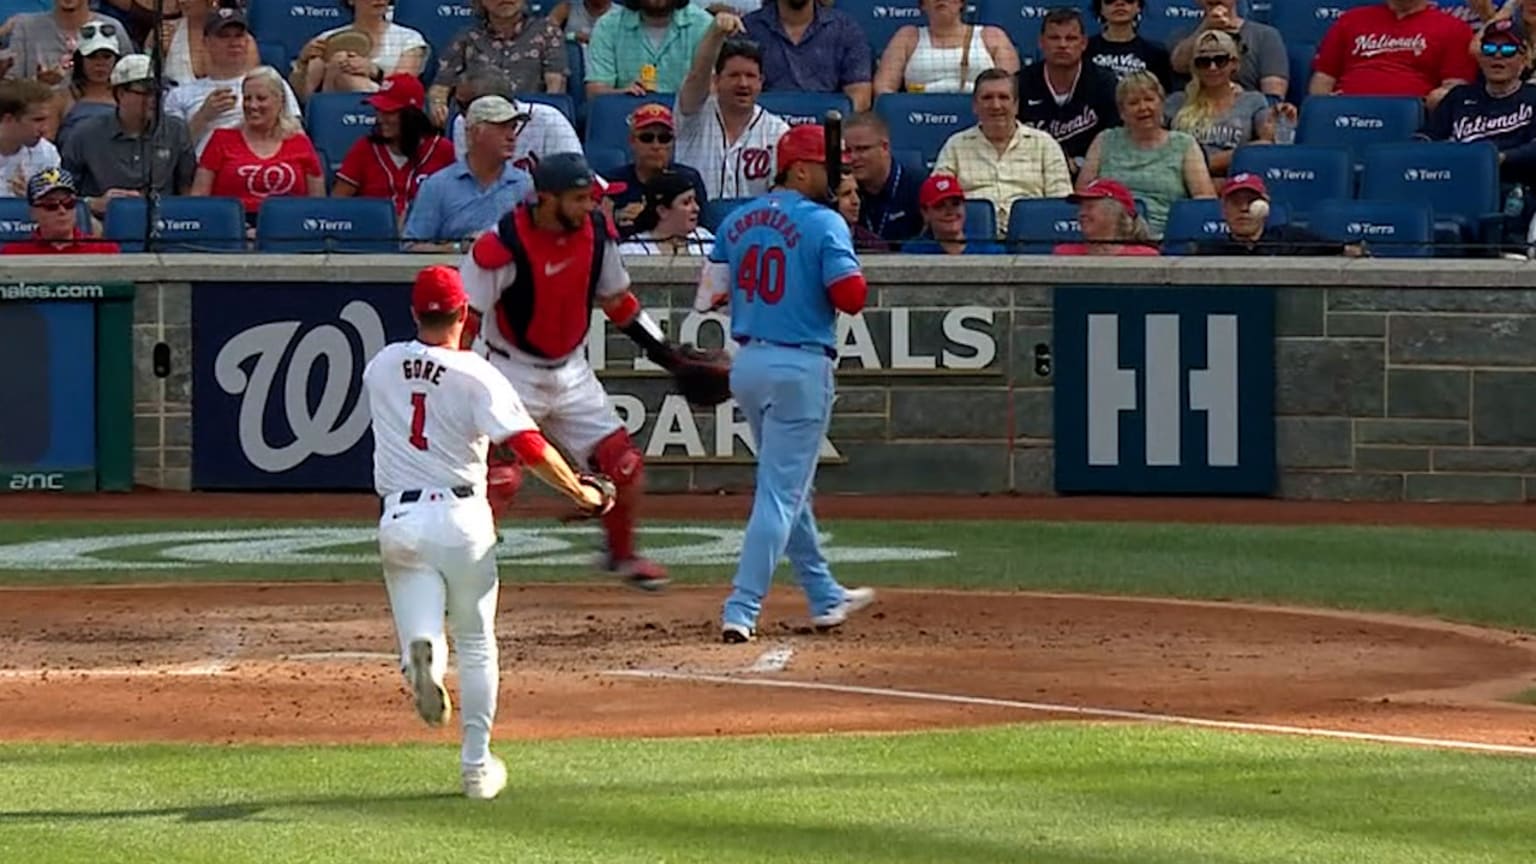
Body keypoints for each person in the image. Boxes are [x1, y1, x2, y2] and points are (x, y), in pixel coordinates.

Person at [364, 263, 614, 801]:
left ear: (415, 312)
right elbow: (528, 446)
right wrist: (582, 493)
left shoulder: (381, 366)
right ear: (463, 315)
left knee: (420, 626)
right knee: (477, 642)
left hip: (401, 520)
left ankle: (421, 657)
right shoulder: (476, 374)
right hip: (461, 518)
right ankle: (476, 766)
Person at [459, 150, 687, 590]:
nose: (591, 208)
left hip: (570, 369)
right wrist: (458, 378)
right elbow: (465, 318)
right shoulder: (502, 244)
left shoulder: (597, 234)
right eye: (580, 199)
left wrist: (666, 353)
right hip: (506, 370)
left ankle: (621, 557)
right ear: (546, 199)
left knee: (623, 466)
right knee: (499, 479)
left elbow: (619, 303)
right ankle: (467, 572)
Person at [694, 123, 875, 643]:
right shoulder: (824, 222)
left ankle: (824, 596)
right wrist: (827, 250)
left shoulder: (736, 220)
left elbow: (709, 297)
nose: (835, 177)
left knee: (790, 486)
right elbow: (851, 297)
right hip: (800, 366)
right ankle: (741, 607)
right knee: (779, 492)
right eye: (827, 168)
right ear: (799, 169)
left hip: (748, 364)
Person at [933, 68, 1073, 236]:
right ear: (975, 106)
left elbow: (1060, 204)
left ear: (1016, 105)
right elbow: (937, 197)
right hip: (972, 241)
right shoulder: (955, 145)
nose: (996, 105)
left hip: (1032, 240)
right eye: (987, 98)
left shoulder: (1045, 144)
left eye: (1003, 97)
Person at [1080, 72, 1216, 238]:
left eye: (1149, 99)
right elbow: (1083, 193)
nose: (1143, 107)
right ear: (1122, 112)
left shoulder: (1184, 144)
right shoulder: (1104, 140)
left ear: (1162, 104)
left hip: (1164, 240)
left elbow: (1204, 200)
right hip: (1109, 237)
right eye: (1133, 102)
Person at [62, 53, 197, 219]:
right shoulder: (84, 134)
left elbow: (187, 186)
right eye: (146, 92)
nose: (154, 99)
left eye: (159, 92)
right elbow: (64, 193)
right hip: (104, 223)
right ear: (120, 94)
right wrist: (94, 203)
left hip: (162, 222)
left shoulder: (176, 129)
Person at [675, 18, 790, 200]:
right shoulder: (694, 114)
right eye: (734, 75)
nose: (743, 83)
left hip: (752, 225)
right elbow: (697, 75)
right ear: (716, 80)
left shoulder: (777, 131)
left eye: (750, 76)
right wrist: (714, 34)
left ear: (761, 82)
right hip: (694, 223)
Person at [189, 66, 325, 220]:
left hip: (289, 230)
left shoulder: (300, 143)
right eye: (247, 98)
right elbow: (199, 199)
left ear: (280, 100)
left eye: (261, 98)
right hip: (233, 232)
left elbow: (317, 204)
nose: (252, 106)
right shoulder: (220, 139)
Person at [403, 95, 536, 252]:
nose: (511, 137)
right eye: (502, 128)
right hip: (455, 273)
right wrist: (459, 248)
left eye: (513, 128)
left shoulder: (525, 185)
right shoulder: (437, 186)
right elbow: (411, 246)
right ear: (476, 133)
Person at [163, 8, 304, 155]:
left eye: (239, 36)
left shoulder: (271, 83)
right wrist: (203, 116)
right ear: (206, 42)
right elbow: (169, 154)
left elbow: (298, 138)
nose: (234, 42)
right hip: (205, 171)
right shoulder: (180, 95)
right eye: (224, 36)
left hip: (263, 165)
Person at [1167, 30, 1295, 178]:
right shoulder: (1177, 102)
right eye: (1203, 62)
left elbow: (1265, 144)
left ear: (1234, 63)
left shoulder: (1253, 101)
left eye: (1220, 60)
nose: (1212, 67)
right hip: (1181, 180)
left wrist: (1281, 119)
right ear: (1194, 66)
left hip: (1234, 181)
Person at [334, 74, 457, 221]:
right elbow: (337, 205)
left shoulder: (443, 150)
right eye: (379, 111)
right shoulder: (364, 148)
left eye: (389, 112)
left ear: (412, 115)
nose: (380, 119)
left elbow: (455, 206)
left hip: (425, 238)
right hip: (374, 237)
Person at [1310, 0, 1477, 109]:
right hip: (1346, 111)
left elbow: (1455, 87)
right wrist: (1323, 108)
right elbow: (1324, 77)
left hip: (1410, 116)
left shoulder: (1454, 28)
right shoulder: (1351, 20)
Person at [429, 0, 567, 126]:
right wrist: (438, 105)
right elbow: (441, 85)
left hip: (531, 119)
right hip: (479, 121)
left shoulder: (547, 32)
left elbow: (555, 87)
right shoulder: (467, 37)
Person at [1017, 6, 1121, 174]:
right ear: (1041, 42)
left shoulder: (1105, 82)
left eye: (1071, 38)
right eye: (1054, 38)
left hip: (1093, 172)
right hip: (1032, 171)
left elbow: (1115, 138)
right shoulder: (1020, 83)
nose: (1062, 45)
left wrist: (1081, 164)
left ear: (1084, 43)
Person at [743, 0, 872, 111]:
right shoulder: (748, 29)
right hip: (764, 132)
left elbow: (860, 95)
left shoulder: (846, 29)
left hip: (826, 130)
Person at [291, 0, 430, 102]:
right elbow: (302, 97)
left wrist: (374, 71)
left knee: (341, 64)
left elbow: (404, 88)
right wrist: (302, 62)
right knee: (338, 59)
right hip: (338, 108)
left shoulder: (409, 38)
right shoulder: (328, 39)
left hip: (393, 111)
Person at [446, 70, 583, 172]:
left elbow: (576, 173)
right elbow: (470, 179)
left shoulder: (549, 119)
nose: (462, 113)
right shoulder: (461, 123)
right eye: (458, 104)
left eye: (466, 106)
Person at [873, 0, 1019, 96]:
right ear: (923, 5)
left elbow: (1012, 88)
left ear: (961, 3)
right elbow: (883, 89)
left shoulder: (993, 36)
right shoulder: (907, 37)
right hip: (920, 115)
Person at [605, 103, 708, 237]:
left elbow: (702, 226)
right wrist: (615, 217)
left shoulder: (688, 178)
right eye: (646, 138)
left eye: (664, 139)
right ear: (632, 141)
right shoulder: (610, 182)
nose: (656, 146)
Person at [1192, 172, 1353, 255]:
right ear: (1223, 210)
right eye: (1235, 202)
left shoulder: (1290, 240)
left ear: (1265, 207)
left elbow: (1336, 248)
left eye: (1251, 201)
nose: (1244, 208)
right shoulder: (1210, 250)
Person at [585, 0, 713, 98]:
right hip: (627, 119)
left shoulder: (704, 25)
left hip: (688, 122)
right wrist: (621, 94)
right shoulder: (607, 25)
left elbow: (715, 89)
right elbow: (595, 92)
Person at [1169, 0, 1289, 100]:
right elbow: (1179, 65)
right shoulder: (1184, 37)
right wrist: (1206, 27)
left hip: (1244, 115)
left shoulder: (1265, 36)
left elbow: (1273, 97)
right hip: (1194, 115)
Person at [2, 2, 134, 87]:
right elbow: (9, 88)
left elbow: (131, 82)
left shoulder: (112, 27)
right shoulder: (26, 27)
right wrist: (39, 84)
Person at [843, 110, 925, 242]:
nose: (853, 157)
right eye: (847, 151)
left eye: (862, 149)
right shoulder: (842, 193)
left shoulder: (919, 187)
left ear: (885, 147)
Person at [1, 166, 118, 254]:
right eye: (51, 205)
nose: (62, 211)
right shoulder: (13, 253)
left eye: (69, 203)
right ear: (33, 212)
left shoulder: (104, 251)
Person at [902, 173, 1006, 254]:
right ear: (925, 213)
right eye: (940, 206)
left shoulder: (989, 252)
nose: (950, 212)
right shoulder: (913, 253)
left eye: (956, 204)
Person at [1052, 177, 1158, 256]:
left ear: (1114, 213)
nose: (1081, 213)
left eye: (1090, 207)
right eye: (1081, 207)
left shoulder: (1143, 257)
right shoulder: (1064, 254)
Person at [55, 22, 120, 148]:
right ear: (80, 60)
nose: (100, 63)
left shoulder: (127, 97)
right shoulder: (62, 99)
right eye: (92, 57)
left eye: (106, 56)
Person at [617, 169, 714, 254]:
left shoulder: (707, 240)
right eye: (686, 203)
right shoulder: (631, 250)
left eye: (695, 201)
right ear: (662, 211)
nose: (696, 208)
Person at [1086, 0, 1173, 91]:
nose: (1120, 3)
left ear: (1138, 7)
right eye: (1111, 0)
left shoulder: (1156, 53)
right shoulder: (1084, 49)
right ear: (1101, 8)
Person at [0, 79, 60, 199]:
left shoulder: (47, 153)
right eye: (37, 120)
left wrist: (35, 200)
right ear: (8, 119)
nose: (45, 128)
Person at [835, 172, 888, 251]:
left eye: (857, 193)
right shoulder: (815, 240)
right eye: (846, 194)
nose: (856, 201)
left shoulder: (874, 245)